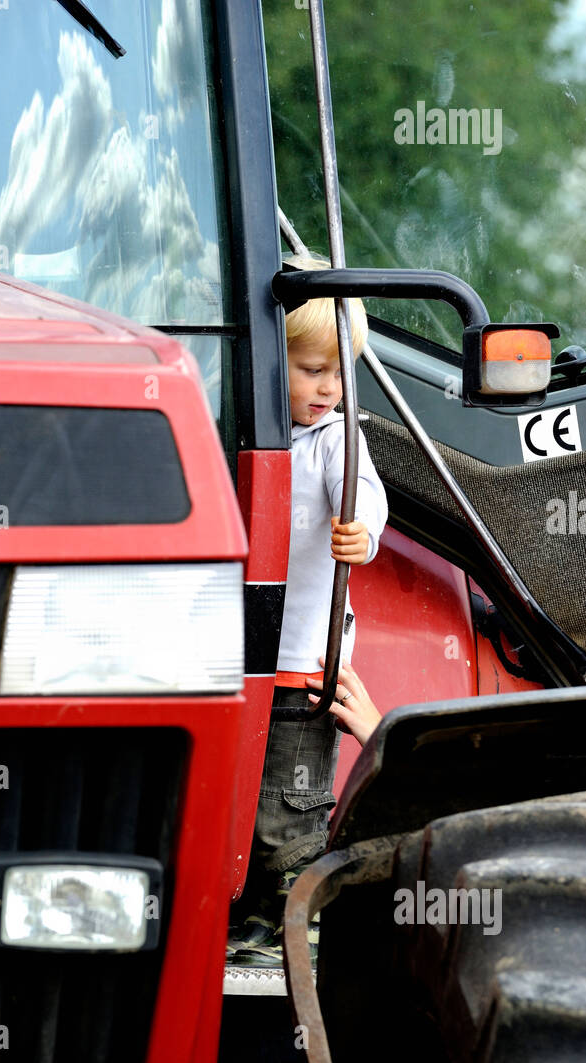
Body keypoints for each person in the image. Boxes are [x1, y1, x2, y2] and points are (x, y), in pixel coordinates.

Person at [228, 255, 388, 966]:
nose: (328, 388)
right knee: (233, 793)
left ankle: (285, 918)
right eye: (311, 368)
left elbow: (362, 496)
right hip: (233, 656)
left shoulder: (333, 441)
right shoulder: (244, 432)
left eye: (339, 372)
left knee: (285, 807)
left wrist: (360, 530)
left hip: (302, 663)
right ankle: (240, 912)